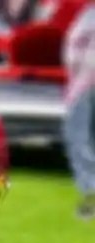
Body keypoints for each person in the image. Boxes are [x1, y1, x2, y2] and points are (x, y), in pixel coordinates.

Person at [64, 1, 95, 220]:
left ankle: (91, 197)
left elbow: (73, 51)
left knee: (80, 140)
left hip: (85, 85)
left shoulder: (88, 17)